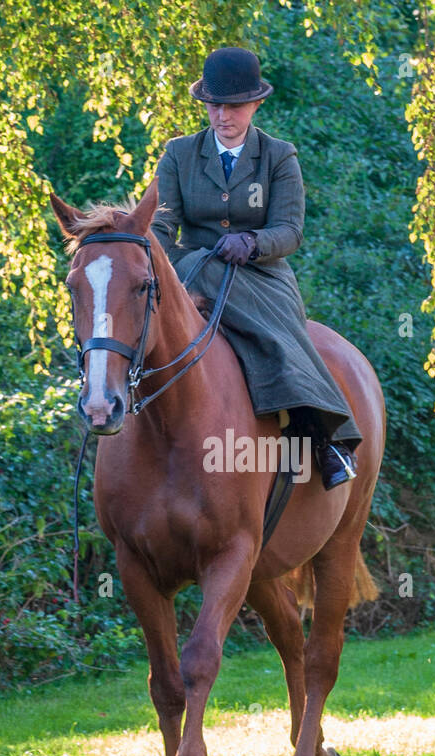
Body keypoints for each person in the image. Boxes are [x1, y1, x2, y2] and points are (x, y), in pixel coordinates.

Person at [151, 46, 360, 489]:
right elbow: (163, 222)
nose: (223, 115)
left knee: (284, 337)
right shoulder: (178, 154)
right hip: (194, 268)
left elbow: (290, 230)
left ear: (256, 103)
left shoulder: (279, 156)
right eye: (215, 105)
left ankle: (321, 433)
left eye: (235, 105)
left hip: (260, 274)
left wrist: (253, 241)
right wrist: (147, 253)